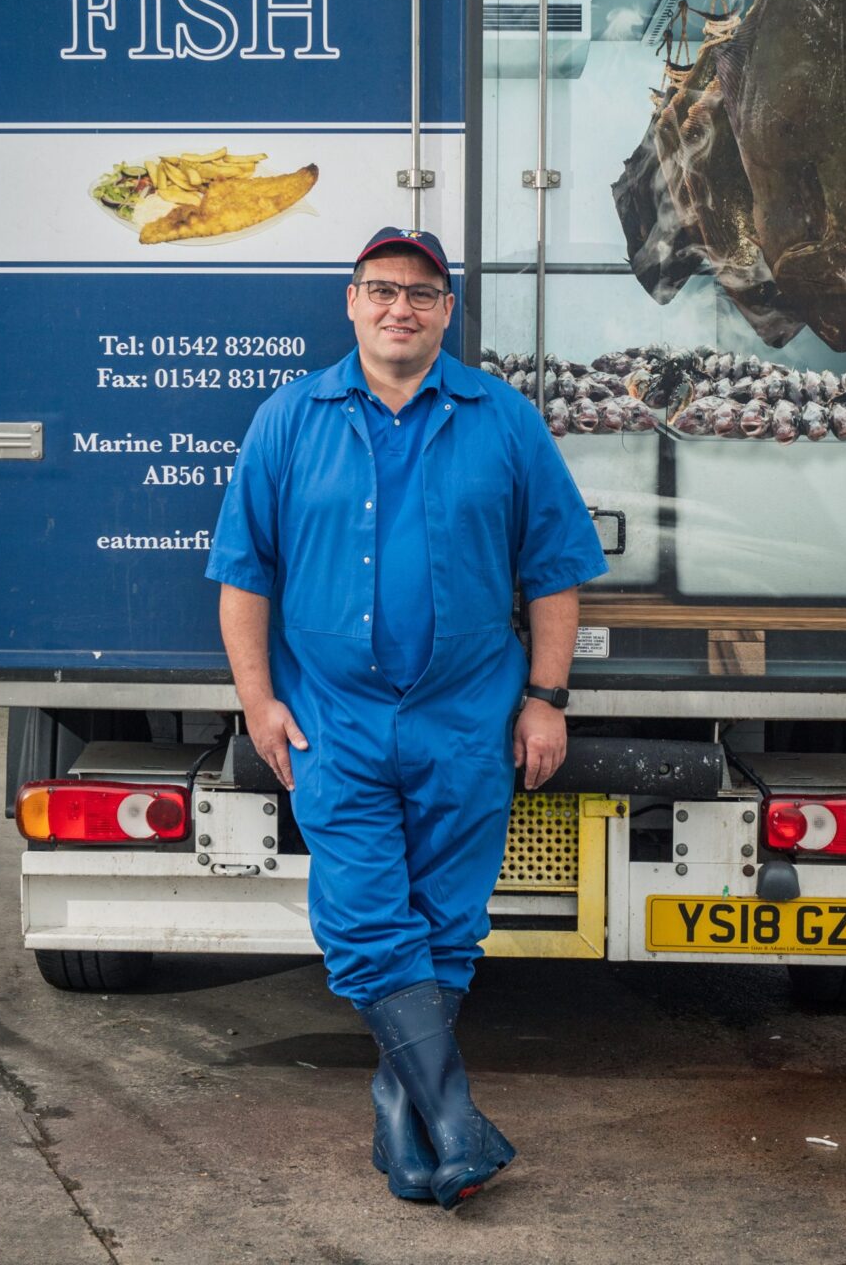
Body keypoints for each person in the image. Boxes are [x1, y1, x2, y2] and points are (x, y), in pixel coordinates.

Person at [206, 226, 607, 1208]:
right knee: (362, 917)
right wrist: (258, 701)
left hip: (467, 720)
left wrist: (546, 700)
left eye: (421, 294)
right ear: (351, 302)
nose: (400, 308)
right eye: (382, 289)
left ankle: (407, 1116)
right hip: (332, 721)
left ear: (445, 312)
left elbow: (555, 573)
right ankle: (454, 1116)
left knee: (448, 923)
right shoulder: (290, 419)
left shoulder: (502, 419)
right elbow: (242, 575)